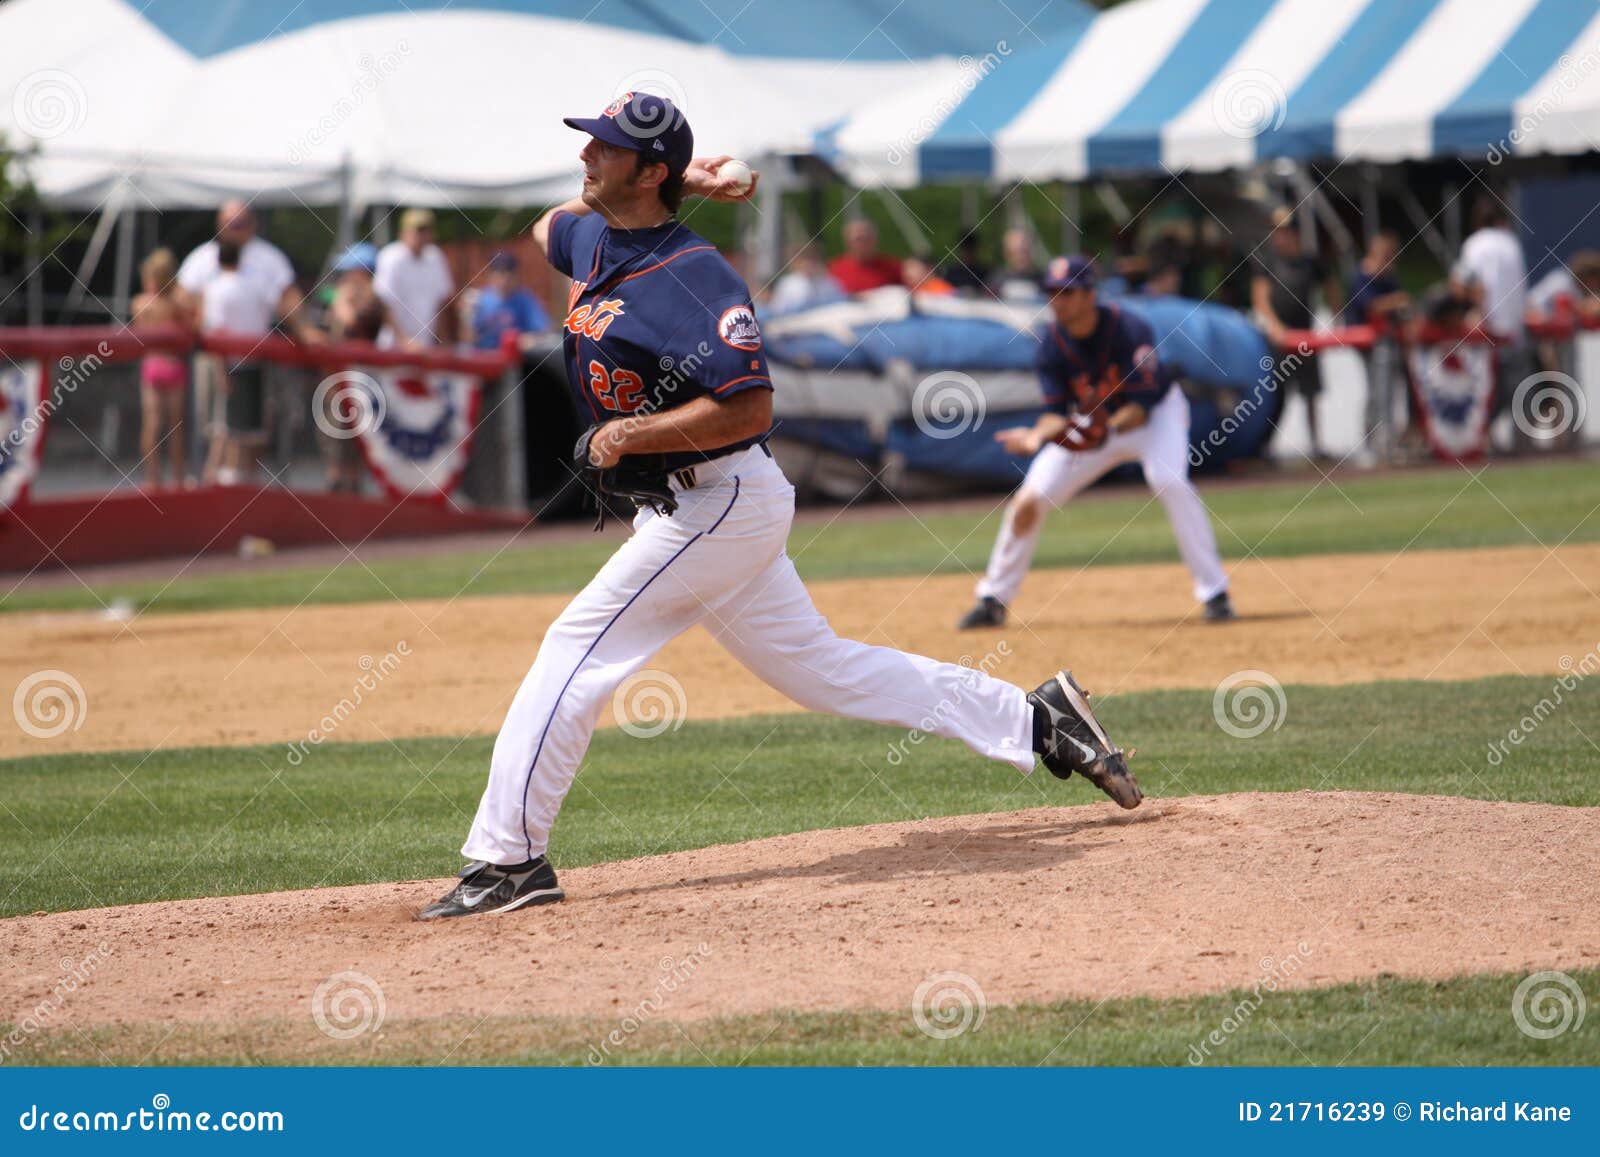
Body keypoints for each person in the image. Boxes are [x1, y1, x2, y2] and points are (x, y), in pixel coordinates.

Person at [419, 94, 1141, 920]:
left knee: (574, 648)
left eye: (607, 149)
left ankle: (510, 861)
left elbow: (751, 407)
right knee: (822, 668)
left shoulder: (695, 276)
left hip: (720, 501)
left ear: (643, 171)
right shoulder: (597, 234)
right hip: (686, 508)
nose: (587, 157)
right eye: (592, 142)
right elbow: (551, 225)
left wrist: (634, 432)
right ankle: (1036, 715)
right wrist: (687, 174)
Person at [957, 256, 1233, 631]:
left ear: (1090, 294)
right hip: (1093, 425)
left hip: (1153, 417)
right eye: (1052, 292)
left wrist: (1101, 429)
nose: (1058, 300)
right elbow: (1054, 412)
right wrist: (1039, 435)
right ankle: (993, 599)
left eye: (1067, 292)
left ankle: (1215, 592)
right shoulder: (1051, 345)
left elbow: (1140, 408)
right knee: (1030, 499)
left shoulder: (1128, 328)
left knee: (1168, 480)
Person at [178, 201, 313, 484]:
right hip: (216, 359)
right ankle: (211, 480)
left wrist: (306, 331)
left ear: (252, 224)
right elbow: (186, 304)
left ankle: (239, 482)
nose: (233, 230)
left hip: (255, 358)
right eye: (228, 223)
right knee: (216, 423)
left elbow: (287, 300)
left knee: (250, 426)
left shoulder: (268, 259)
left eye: (239, 223)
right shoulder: (204, 260)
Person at [1252, 208, 1341, 459]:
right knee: (1275, 393)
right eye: (1278, 233)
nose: (1281, 238)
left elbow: (1331, 286)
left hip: (1306, 336)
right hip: (1279, 340)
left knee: (1311, 393)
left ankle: (1316, 444)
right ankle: (1265, 446)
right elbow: (1260, 299)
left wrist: (1336, 317)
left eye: (1286, 233)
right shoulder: (1267, 261)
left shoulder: (1310, 261)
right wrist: (1276, 327)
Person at [1455, 196, 1532, 447]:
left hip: (1488, 330)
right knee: (1518, 390)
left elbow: (1470, 284)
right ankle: (1522, 441)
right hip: (1514, 327)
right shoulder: (1511, 243)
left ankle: (1485, 440)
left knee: (1487, 391)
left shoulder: (1475, 245)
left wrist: (1476, 311)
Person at [320, 242, 390, 493]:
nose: (345, 277)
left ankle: (352, 487)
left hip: (363, 383)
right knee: (335, 440)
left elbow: (352, 319)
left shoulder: (374, 300)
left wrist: (343, 299)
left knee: (360, 443)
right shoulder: (343, 296)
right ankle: (337, 483)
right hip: (336, 384)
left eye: (350, 271)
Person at [131, 248, 196, 489]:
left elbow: (139, 333)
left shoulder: (139, 304)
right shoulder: (176, 304)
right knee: (175, 427)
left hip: (151, 365)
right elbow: (192, 329)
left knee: (151, 424)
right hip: (173, 364)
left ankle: (152, 480)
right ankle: (178, 479)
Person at [374, 207, 457, 347]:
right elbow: (383, 303)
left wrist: (444, 342)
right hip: (392, 347)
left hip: (424, 347)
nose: (422, 235)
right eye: (418, 230)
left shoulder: (436, 257)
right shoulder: (390, 257)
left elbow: (441, 303)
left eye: (426, 230)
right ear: (403, 232)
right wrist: (403, 340)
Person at [470, 250, 550, 350]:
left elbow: (543, 333)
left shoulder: (526, 301)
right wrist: (466, 316)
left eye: (509, 272)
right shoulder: (479, 300)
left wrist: (519, 340)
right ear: (490, 275)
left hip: (515, 361)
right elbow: (468, 341)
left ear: (516, 275)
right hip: (484, 359)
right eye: (499, 272)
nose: (505, 278)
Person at [827, 219, 903, 294]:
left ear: (875, 238)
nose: (863, 244)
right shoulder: (834, 271)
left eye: (867, 238)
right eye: (858, 239)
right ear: (847, 241)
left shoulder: (894, 266)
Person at [767, 243, 846, 314]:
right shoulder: (787, 284)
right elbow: (777, 311)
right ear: (796, 262)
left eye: (813, 258)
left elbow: (841, 306)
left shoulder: (831, 283)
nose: (809, 263)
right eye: (804, 259)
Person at [991, 227, 1042, 302]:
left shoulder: (1042, 280)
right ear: (1007, 253)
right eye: (1017, 252)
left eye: (1025, 251)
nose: (1022, 256)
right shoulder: (996, 280)